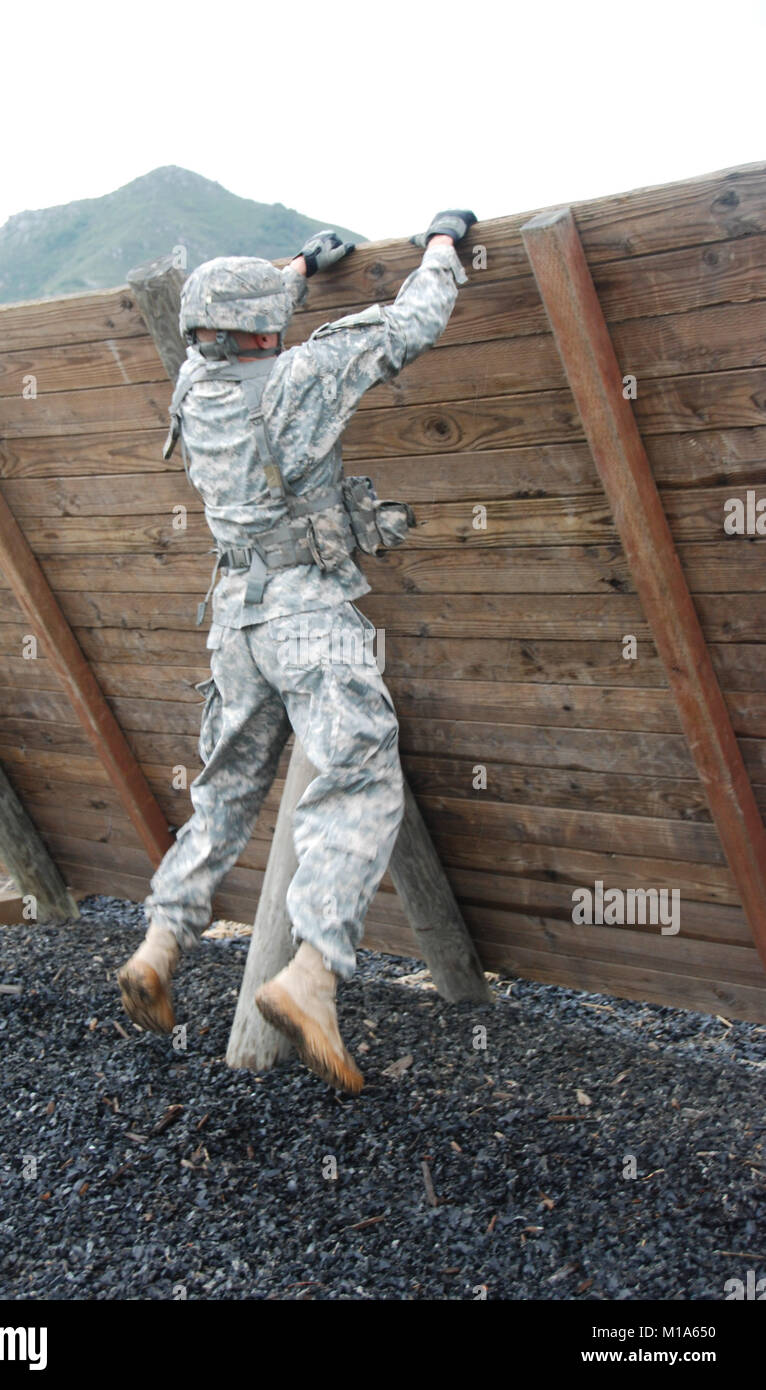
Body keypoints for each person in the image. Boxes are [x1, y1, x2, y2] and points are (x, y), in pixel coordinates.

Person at [117, 210, 476, 1094]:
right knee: (358, 774)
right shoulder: (310, 371)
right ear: (266, 326)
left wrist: (298, 268)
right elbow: (409, 325)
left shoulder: (194, 388)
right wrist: (442, 244)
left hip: (234, 616)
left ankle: (161, 943)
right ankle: (311, 974)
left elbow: (238, 318)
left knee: (224, 789)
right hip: (309, 614)